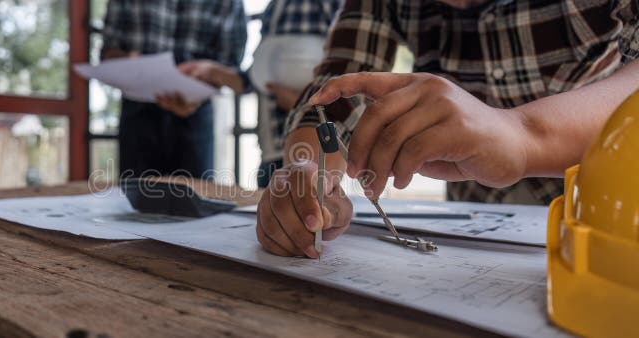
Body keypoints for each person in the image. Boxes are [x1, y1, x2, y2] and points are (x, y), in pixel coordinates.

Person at [256, 0, 639, 258]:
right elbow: (337, 90)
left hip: (613, 219)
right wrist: (307, 177)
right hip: (473, 234)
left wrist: (522, 135)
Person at [163, 0, 343, 188]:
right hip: (271, 153)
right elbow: (259, 78)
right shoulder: (275, 7)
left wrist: (308, 106)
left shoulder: (327, 4)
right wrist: (212, 72)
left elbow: (349, 77)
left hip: (311, 155)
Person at [101, 0, 247, 178]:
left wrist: (207, 75)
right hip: (137, 113)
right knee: (135, 198)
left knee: (195, 198)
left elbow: (231, 65)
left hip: (196, 110)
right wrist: (132, 61)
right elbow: (108, 51)